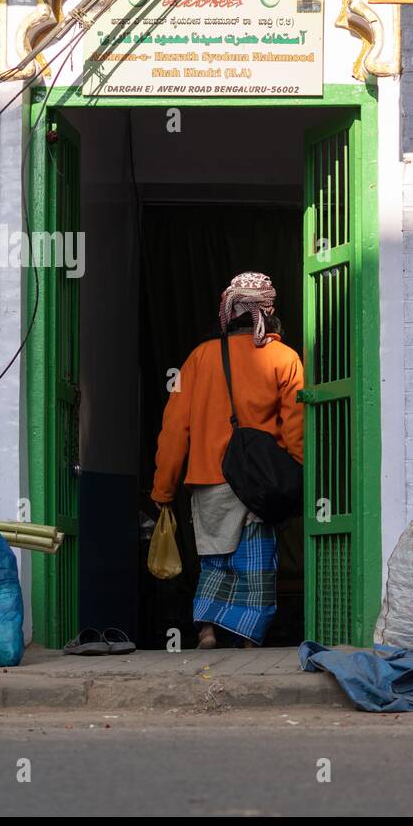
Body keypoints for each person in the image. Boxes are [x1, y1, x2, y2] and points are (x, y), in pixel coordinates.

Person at [152, 272, 304, 649]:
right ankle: (249, 636)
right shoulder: (285, 358)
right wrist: (297, 474)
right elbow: (296, 428)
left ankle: (207, 630)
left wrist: (163, 488)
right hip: (259, 481)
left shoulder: (199, 357)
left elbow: (175, 429)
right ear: (268, 310)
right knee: (255, 561)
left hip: (209, 479)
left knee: (215, 558)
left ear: (229, 310)